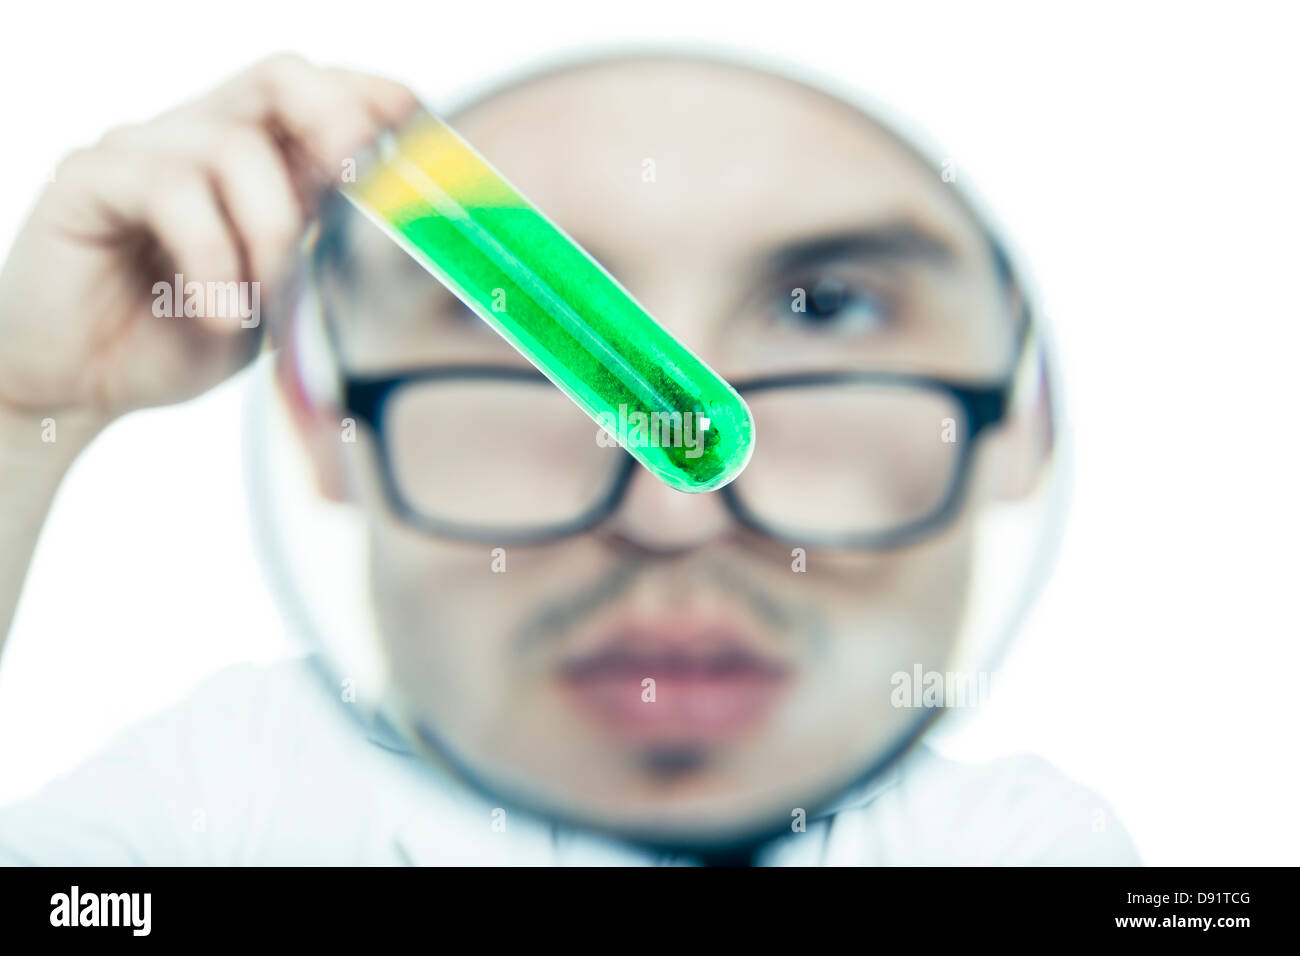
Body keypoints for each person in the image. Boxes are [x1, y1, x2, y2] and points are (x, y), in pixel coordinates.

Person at [0, 52, 1139, 865]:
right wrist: (17, 410)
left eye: (824, 305)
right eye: (520, 333)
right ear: (317, 413)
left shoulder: (1032, 849)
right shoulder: (220, 797)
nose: (673, 510)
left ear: (1018, 425)